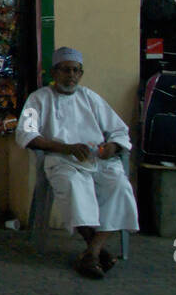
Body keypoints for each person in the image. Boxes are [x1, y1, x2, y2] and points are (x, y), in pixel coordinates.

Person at [15, 46, 139, 280]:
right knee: (73, 187)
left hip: (96, 160)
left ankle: (92, 253)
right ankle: (96, 252)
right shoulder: (39, 99)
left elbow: (119, 130)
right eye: (65, 70)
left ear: (81, 74)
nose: (70, 75)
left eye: (75, 71)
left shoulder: (90, 98)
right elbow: (26, 135)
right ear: (55, 72)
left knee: (120, 188)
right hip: (62, 161)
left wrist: (110, 148)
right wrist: (67, 148)